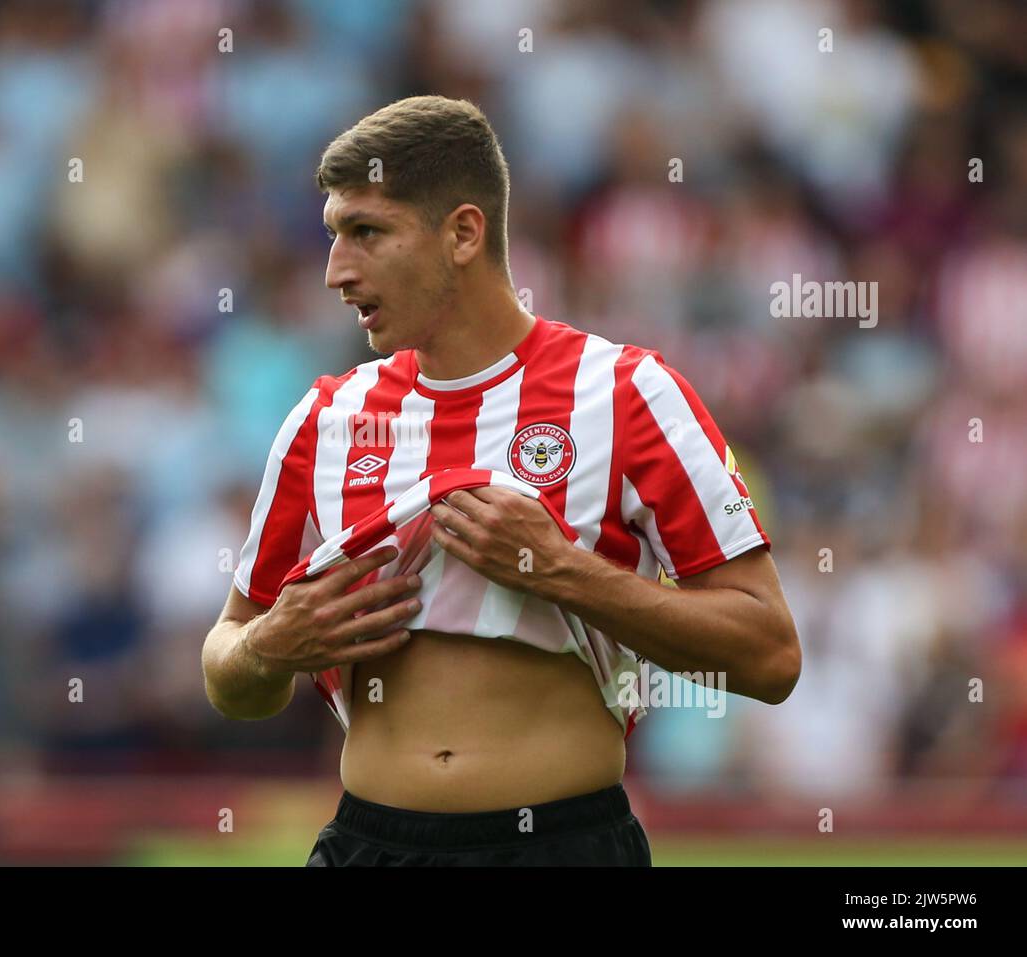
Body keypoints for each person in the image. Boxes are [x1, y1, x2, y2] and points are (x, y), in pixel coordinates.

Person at [201, 95, 801, 866]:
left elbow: (770, 654)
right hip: (370, 844)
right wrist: (267, 648)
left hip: (560, 844)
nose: (334, 271)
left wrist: (561, 571)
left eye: (366, 232)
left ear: (462, 232)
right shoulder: (327, 419)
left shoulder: (626, 395)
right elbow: (228, 665)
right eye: (332, 236)